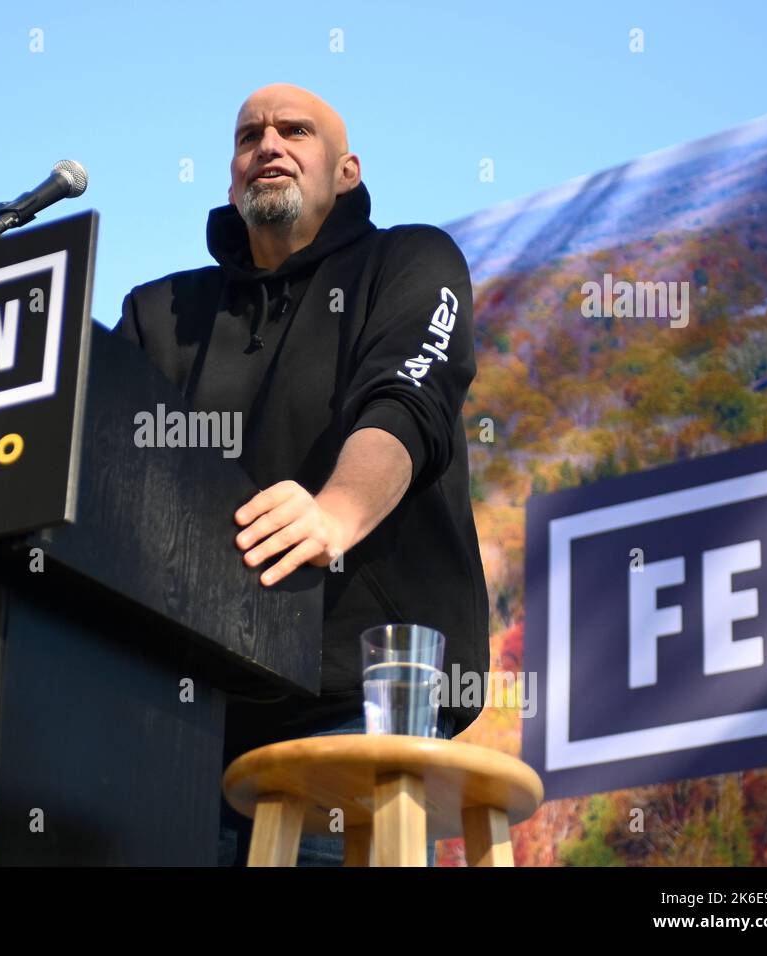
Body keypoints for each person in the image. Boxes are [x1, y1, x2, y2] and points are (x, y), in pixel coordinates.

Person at [113, 83, 488, 866]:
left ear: (346, 171)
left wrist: (337, 511)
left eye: (295, 131)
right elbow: (106, 467)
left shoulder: (413, 260)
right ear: (231, 177)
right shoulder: (159, 313)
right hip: (182, 721)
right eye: (250, 136)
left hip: (356, 705)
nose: (269, 145)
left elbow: (409, 395)